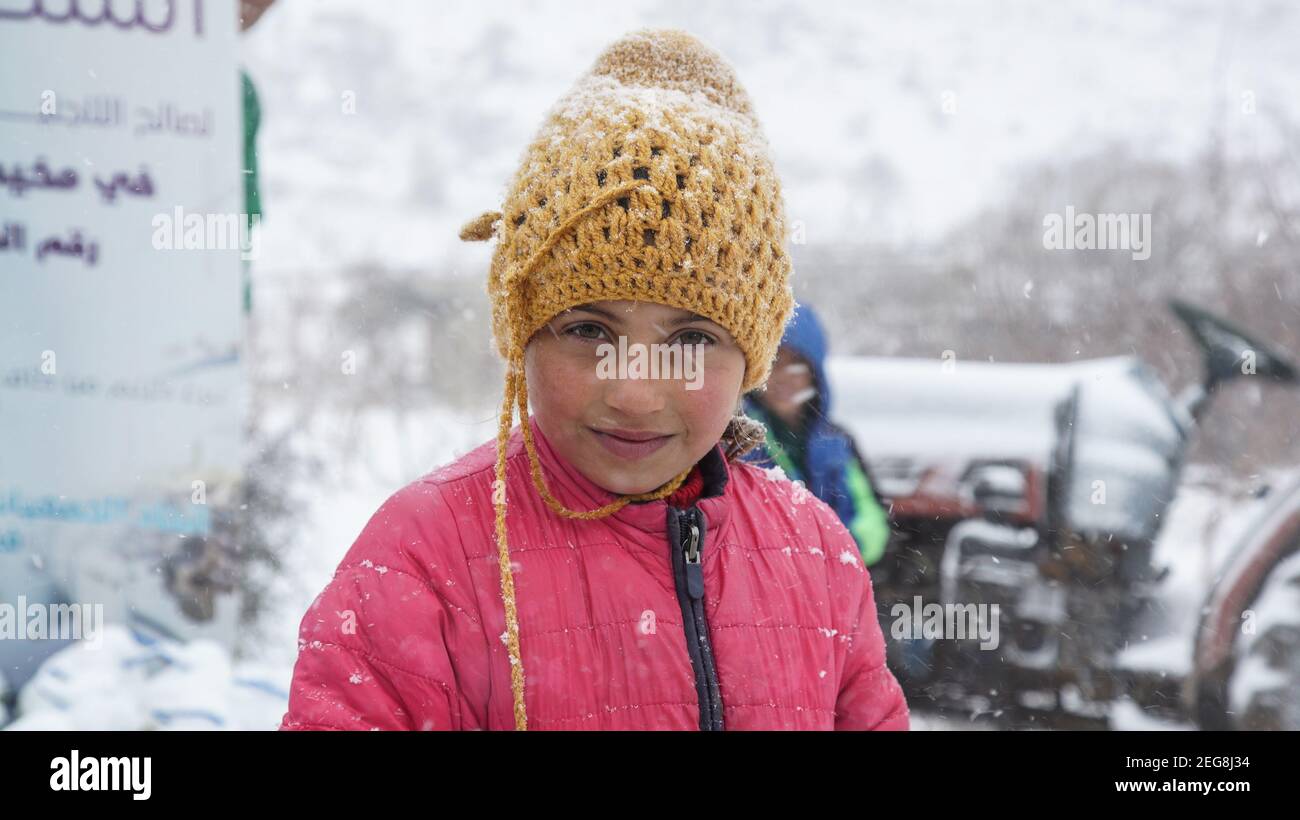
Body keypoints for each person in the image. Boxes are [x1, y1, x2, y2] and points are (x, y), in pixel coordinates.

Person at [279, 29, 907, 731]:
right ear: (523, 337)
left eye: (693, 339)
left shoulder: (816, 555)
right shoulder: (423, 561)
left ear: (751, 360)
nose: (634, 391)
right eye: (587, 331)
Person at [742, 303, 892, 566]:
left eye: (797, 364)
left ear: (815, 373)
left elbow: (871, 521)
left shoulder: (838, 441)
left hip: (836, 585)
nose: (784, 377)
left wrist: (837, 553)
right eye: (774, 362)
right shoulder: (737, 441)